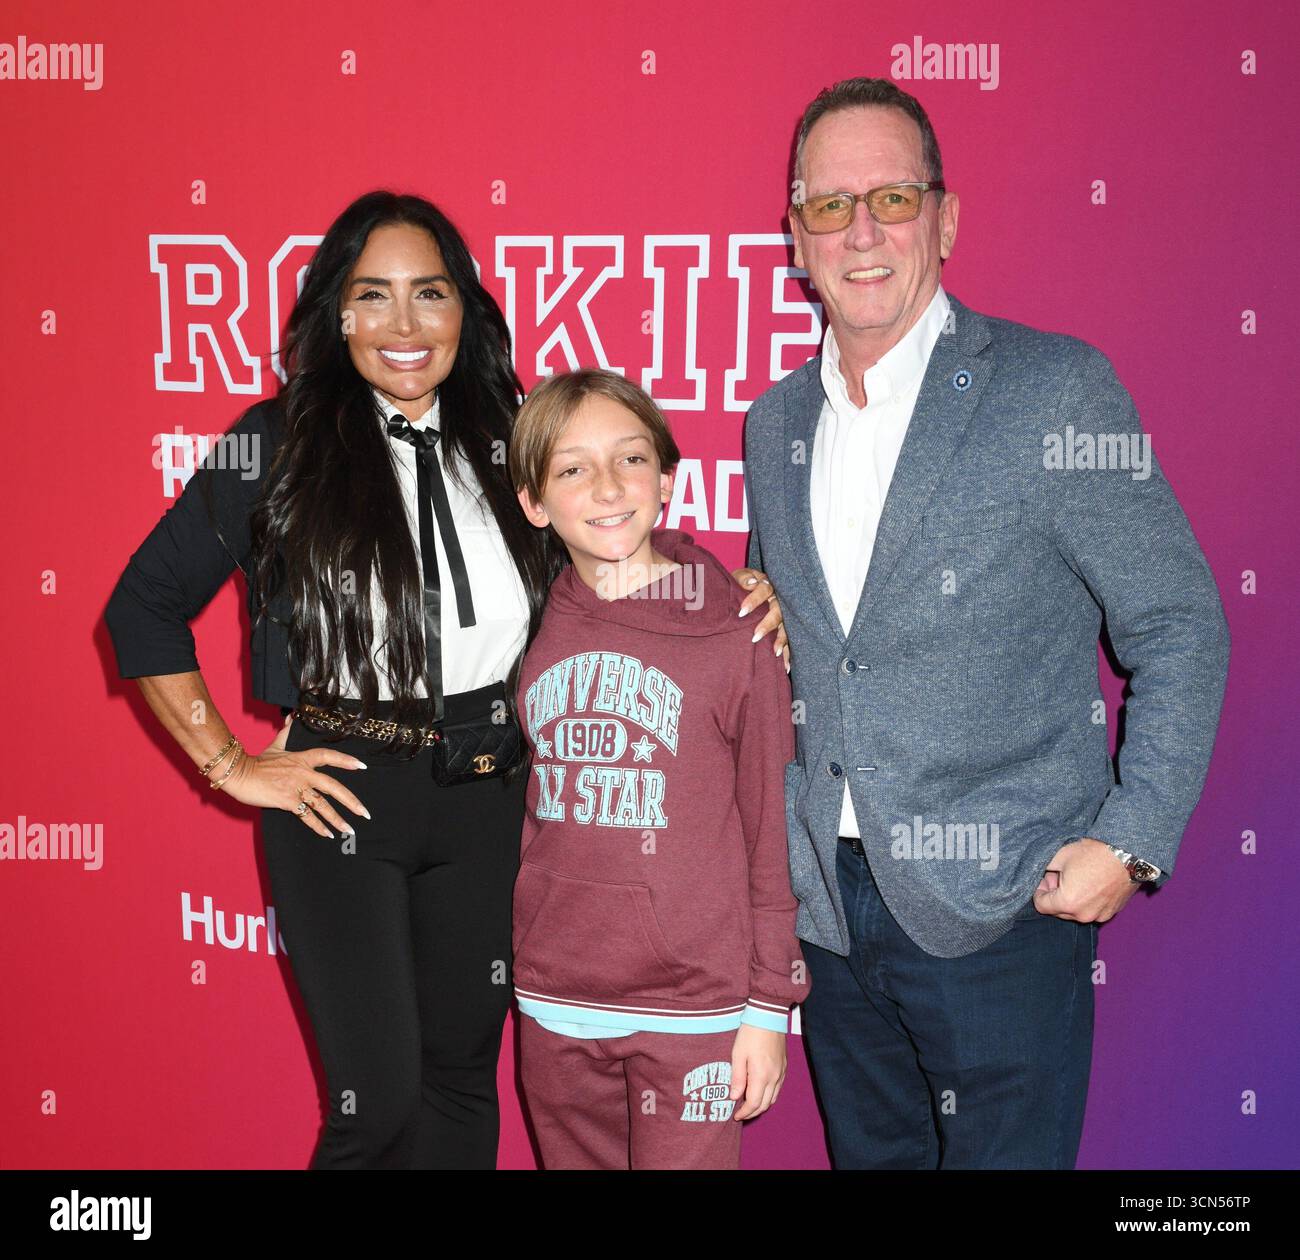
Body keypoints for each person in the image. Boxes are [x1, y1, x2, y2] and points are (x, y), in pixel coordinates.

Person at [104, 191, 787, 1170]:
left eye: (429, 293)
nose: (403, 324)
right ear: (336, 313)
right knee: (374, 1104)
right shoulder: (277, 442)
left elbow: (614, 539)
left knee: (461, 1087)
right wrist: (227, 764)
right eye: (372, 296)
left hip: (492, 795)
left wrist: (731, 586)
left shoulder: (509, 433)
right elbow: (142, 608)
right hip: (340, 795)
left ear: (466, 309)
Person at [742, 78, 1230, 1169]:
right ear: (793, 236)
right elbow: (786, 645)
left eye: (894, 197)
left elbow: (1179, 623)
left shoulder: (1053, 392)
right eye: (829, 206)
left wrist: (1134, 837)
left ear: (947, 220)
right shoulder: (771, 423)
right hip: (828, 911)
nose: (861, 232)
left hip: (1001, 911)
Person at [506, 368, 808, 1169]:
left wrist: (769, 1003)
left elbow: (770, 828)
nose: (607, 487)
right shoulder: (529, 622)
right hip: (555, 1001)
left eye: (631, 459)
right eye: (572, 469)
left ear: (668, 478)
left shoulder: (735, 629)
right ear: (535, 503)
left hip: (695, 1008)